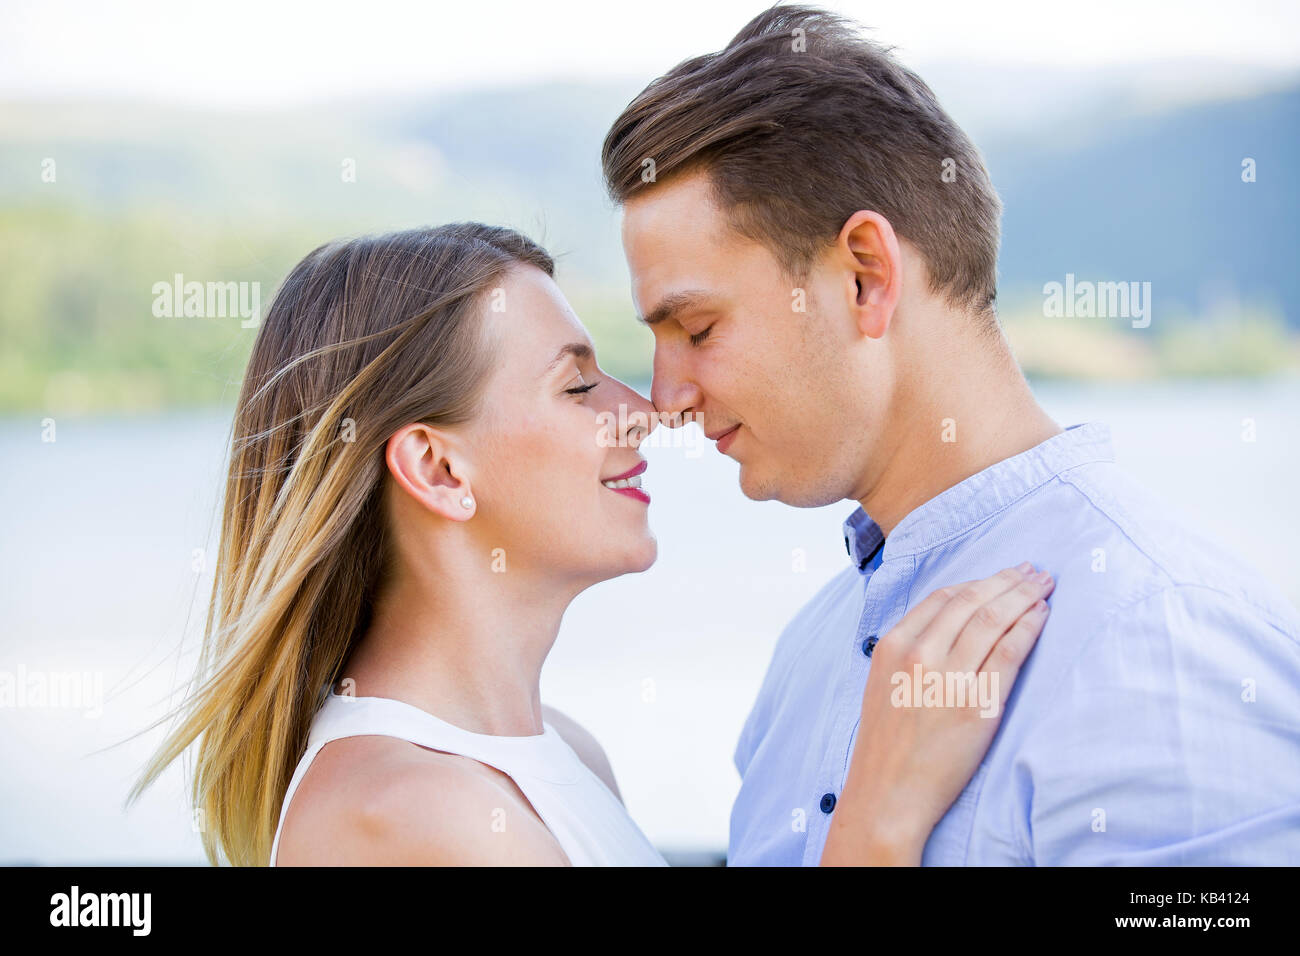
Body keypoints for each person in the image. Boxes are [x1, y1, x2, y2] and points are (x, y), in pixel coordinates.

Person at [600, 4, 1300, 864]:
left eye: (698, 329)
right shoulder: (807, 662)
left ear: (866, 277)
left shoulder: (1156, 635)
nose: (665, 398)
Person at [128, 222, 1054, 866]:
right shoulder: (404, 813)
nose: (644, 412)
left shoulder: (559, 753)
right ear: (438, 470)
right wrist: (878, 821)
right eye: (577, 389)